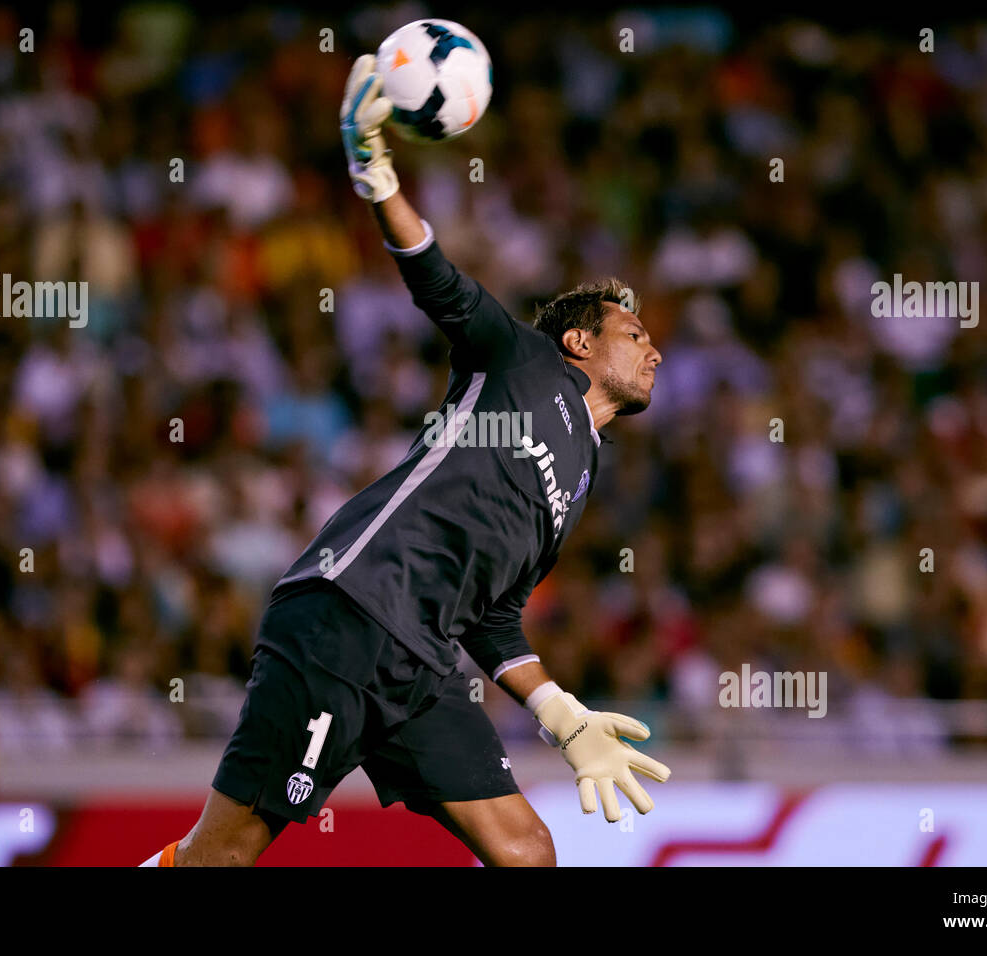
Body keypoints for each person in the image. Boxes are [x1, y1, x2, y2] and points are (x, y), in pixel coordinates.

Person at [142, 55, 668, 868]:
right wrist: (374, 172)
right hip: (347, 616)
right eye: (634, 334)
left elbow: (492, 617)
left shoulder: (582, 474)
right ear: (578, 342)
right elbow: (437, 280)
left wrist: (560, 713)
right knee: (223, 856)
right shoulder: (519, 360)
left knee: (528, 853)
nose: (655, 350)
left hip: (421, 663)